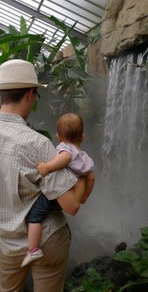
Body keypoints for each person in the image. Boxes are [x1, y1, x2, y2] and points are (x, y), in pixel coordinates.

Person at [0, 59, 89, 292]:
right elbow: (72, 205)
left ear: (2, 93)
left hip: (7, 241)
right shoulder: (36, 143)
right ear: (31, 94)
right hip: (48, 239)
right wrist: (87, 172)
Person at [23, 113, 96, 267]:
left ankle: (33, 249)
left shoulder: (65, 149)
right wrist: (85, 196)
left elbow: (65, 158)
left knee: (34, 216)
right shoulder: (86, 158)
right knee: (48, 211)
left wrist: (46, 167)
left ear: (58, 137)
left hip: (59, 192)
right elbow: (91, 178)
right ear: (82, 137)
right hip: (72, 194)